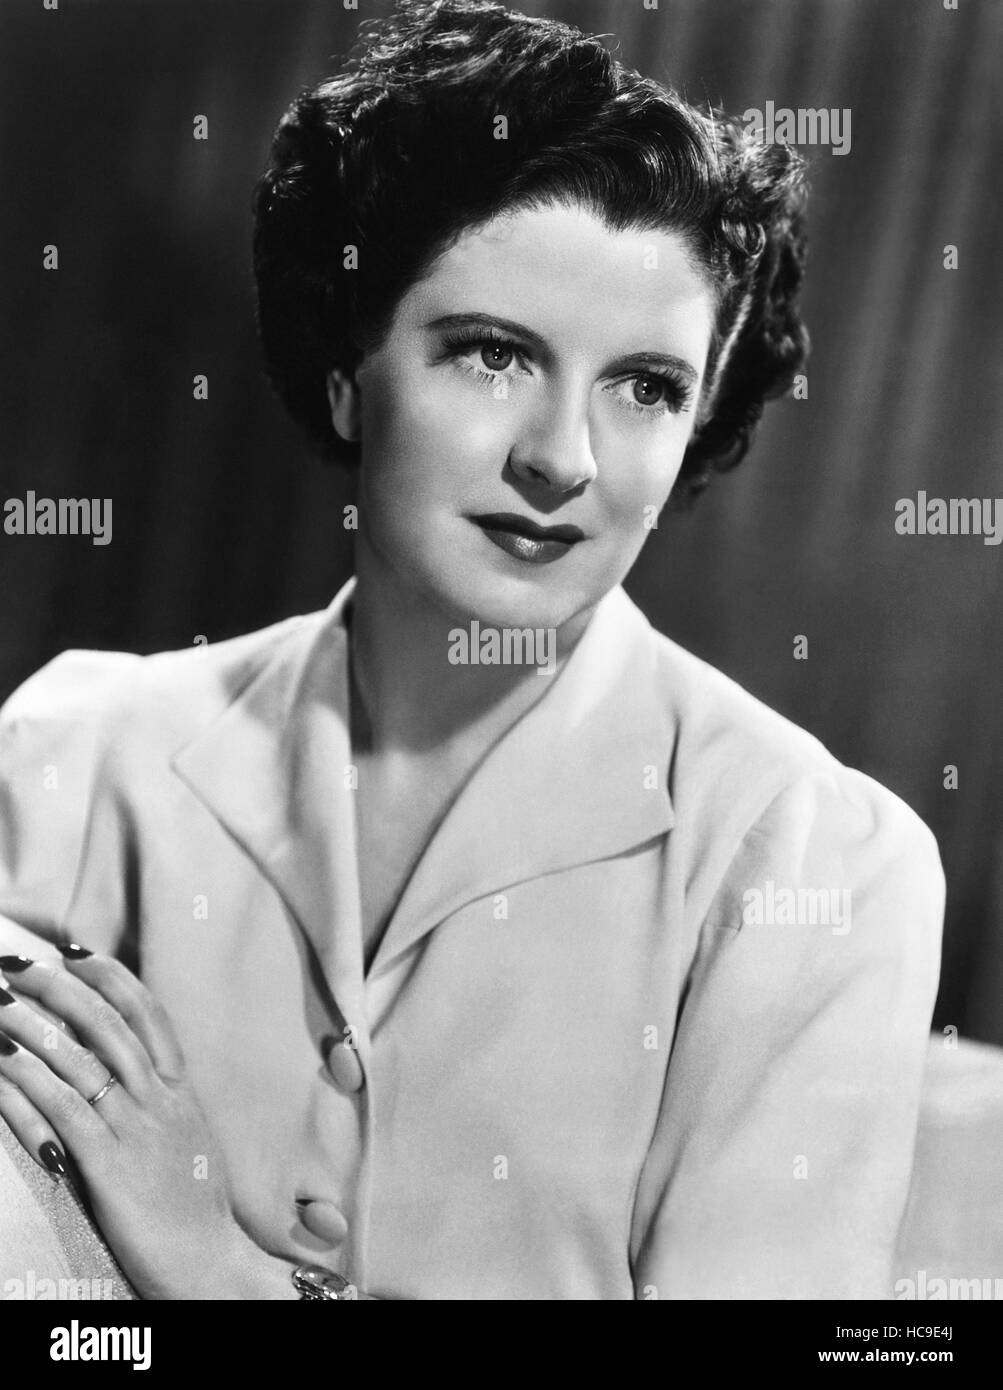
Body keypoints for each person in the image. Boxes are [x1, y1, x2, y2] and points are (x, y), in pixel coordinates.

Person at [0, 0, 943, 1300]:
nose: (564, 458)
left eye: (648, 386)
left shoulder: (817, 858)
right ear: (347, 369)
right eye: (494, 355)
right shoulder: (74, 756)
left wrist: (215, 1265)